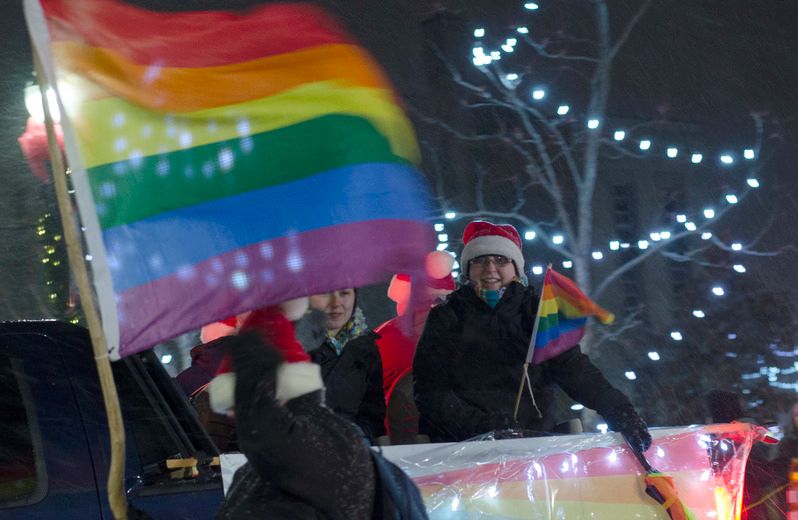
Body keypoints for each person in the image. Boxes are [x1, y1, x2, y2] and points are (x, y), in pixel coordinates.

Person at [413, 220, 652, 451]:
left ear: (516, 269)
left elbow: (574, 370)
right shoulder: (447, 317)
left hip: (533, 443)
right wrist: (480, 425)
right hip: (459, 446)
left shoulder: (537, 313)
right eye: (480, 261)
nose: (490, 269)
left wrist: (619, 411)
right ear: (468, 270)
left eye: (501, 260)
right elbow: (430, 390)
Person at [212, 301, 377, 519]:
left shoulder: (296, 449)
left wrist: (247, 355)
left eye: (236, 404)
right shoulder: (316, 439)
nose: (232, 415)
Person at [308, 288, 386, 441]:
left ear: (355, 297)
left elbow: (373, 414)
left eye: (344, 293)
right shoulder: (290, 345)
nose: (335, 303)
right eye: (325, 293)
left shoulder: (365, 346)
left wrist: (360, 434)